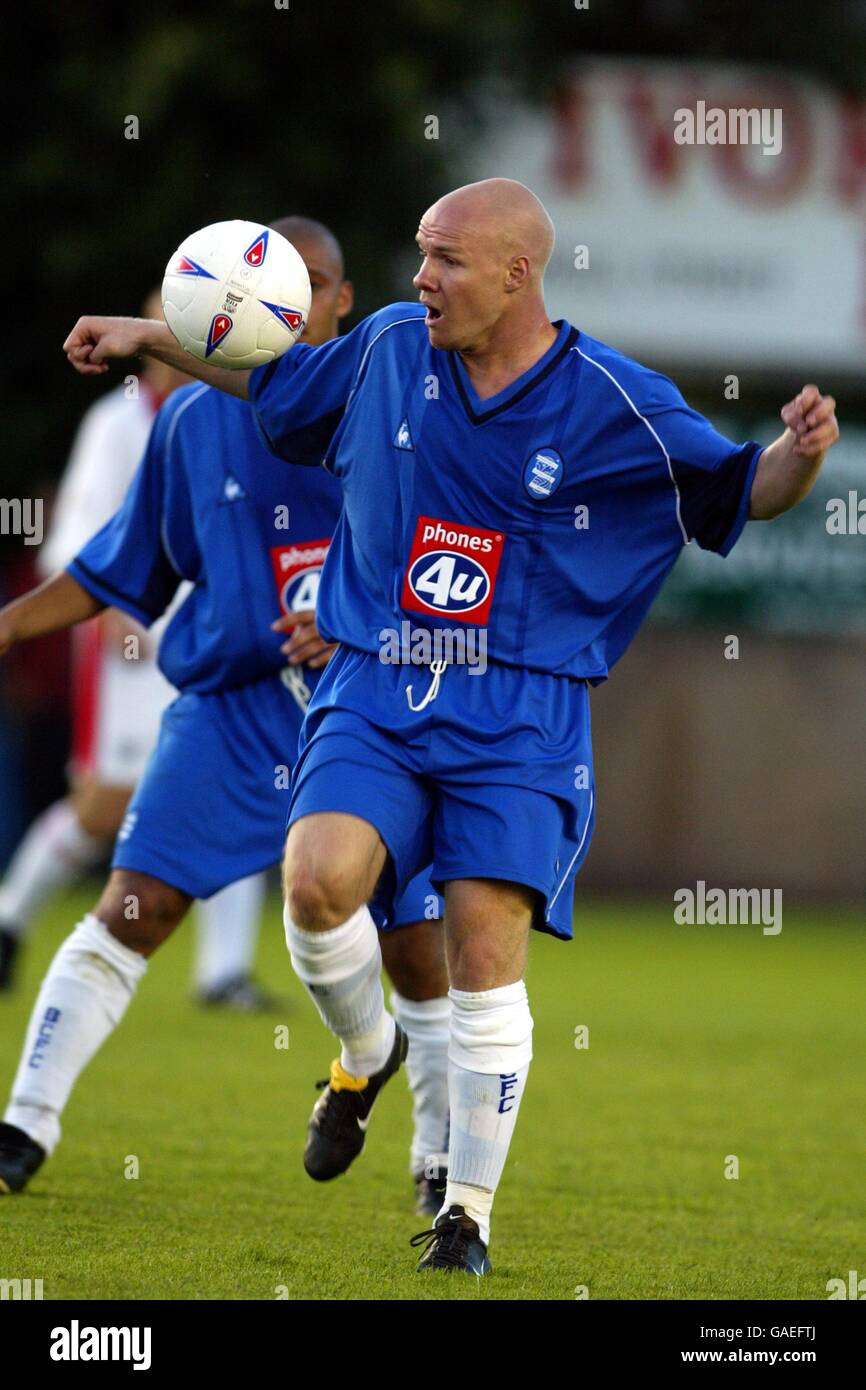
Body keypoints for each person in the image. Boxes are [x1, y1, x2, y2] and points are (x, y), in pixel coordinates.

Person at [60, 178, 840, 1275]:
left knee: (481, 950)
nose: (419, 277)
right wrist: (151, 331)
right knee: (316, 881)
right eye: (418, 254)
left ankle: (464, 1213)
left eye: (445, 259)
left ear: (518, 273)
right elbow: (271, 378)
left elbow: (736, 489)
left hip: (517, 707)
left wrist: (798, 456)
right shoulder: (385, 348)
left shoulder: (613, 397)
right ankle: (364, 1048)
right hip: (376, 680)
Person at [0, 217, 450, 1215]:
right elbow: (116, 568)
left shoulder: (394, 408)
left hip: (370, 708)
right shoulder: (190, 424)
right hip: (230, 708)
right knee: (132, 906)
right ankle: (24, 1121)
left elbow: (458, 568)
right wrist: (9, 626)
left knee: (417, 947)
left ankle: (435, 1157)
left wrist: (361, 621)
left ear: (338, 302)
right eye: (257, 291)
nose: (280, 309)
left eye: (313, 284)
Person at [0, 294, 271, 1012]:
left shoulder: (253, 415)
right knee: (102, 809)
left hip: (220, 640)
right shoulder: (119, 422)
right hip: (130, 646)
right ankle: (7, 920)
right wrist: (118, 614)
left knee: (239, 784)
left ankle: (224, 973)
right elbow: (76, 539)